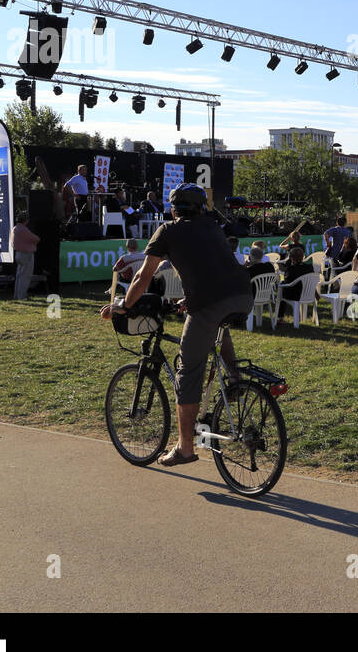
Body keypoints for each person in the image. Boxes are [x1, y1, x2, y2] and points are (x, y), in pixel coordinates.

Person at [99, 182, 253, 467]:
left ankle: (184, 448)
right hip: (243, 295)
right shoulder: (211, 226)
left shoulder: (167, 230)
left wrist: (124, 305)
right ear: (201, 207)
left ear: (173, 209)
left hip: (209, 302)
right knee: (218, 327)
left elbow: (143, 276)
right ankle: (235, 380)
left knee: (188, 372)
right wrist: (189, 297)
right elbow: (210, 267)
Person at [11, 212, 40, 300]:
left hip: (19, 253)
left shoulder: (15, 228)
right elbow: (36, 238)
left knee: (20, 276)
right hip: (26, 254)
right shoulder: (23, 229)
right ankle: (22, 296)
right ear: (26, 220)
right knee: (25, 277)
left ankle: (17, 295)